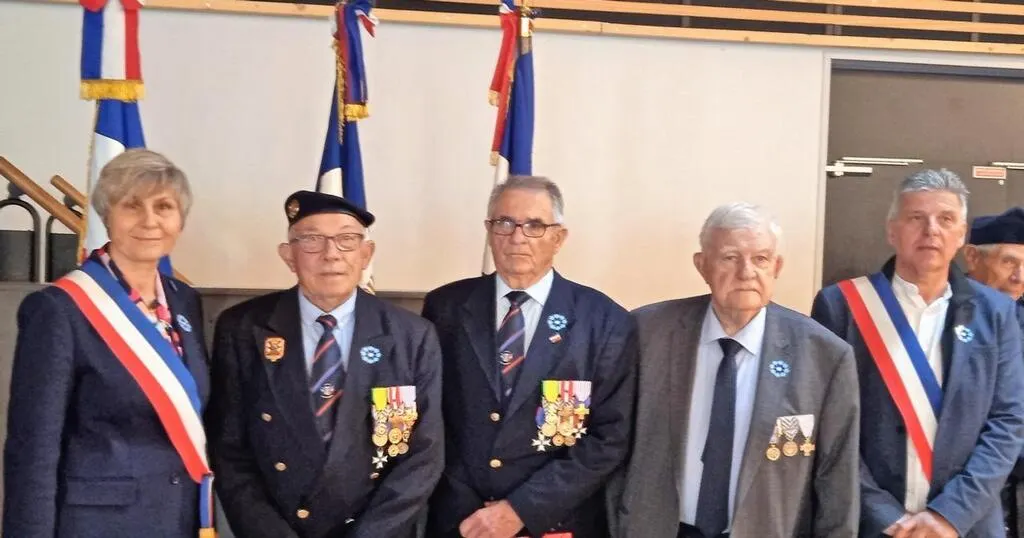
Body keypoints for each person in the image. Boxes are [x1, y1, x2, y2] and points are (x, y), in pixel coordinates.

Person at [207, 190, 443, 538]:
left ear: (366, 254)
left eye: (347, 240)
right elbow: (229, 451)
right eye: (313, 240)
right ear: (288, 256)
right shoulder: (243, 328)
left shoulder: (412, 335)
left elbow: (423, 456)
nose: (331, 254)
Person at [3, 149, 214, 537]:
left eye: (163, 206)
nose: (149, 220)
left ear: (180, 220)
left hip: (180, 518)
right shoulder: (59, 309)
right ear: (106, 215)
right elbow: (33, 447)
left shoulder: (185, 301)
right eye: (132, 206)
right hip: (99, 524)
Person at [617, 202, 860, 538]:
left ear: (777, 266)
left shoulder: (824, 355)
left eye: (760, 259)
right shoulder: (647, 333)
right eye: (729, 258)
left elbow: (837, 481)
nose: (746, 271)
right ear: (702, 265)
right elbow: (612, 444)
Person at [812, 169, 1024, 537]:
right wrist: (882, 515)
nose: (931, 231)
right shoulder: (841, 306)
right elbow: (827, 425)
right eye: (916, 218)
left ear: (961, 236)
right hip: (870, 524)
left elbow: (1008, 421)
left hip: (966, 523)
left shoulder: (996, 312)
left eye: (945, 220)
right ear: (892, 230)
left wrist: (948, 515)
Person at [423, 175, 637, 538]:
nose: (517, 237)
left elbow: (609, 437)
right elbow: (431, 418)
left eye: (535, 225)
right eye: (504, 223)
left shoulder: (604, 320)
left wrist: (522, 509)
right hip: (460, 520)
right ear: (489, 230)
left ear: (559, 238)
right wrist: (466, 503)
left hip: (554, 521)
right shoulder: (445, 307)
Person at [963, 206, 1024, 538]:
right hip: (968, 483)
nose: (1020, 277)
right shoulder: (948, 315)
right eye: (1009, 262)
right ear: (972, 258)